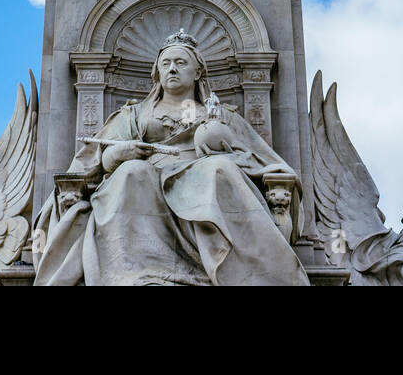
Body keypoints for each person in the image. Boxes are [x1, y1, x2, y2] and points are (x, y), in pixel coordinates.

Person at [32, 29, 309, 285]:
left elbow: (259, 158)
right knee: (131, 173)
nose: (172, 69)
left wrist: (215, 149)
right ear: (157, 72)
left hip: (201, 177)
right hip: (146, 179)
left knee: (218, 169)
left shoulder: (220, 115)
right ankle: (139, 273)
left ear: (198, 71)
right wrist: (120, 153)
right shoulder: (135, 114)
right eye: (166, 64)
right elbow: (96, 160)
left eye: (180, 62)